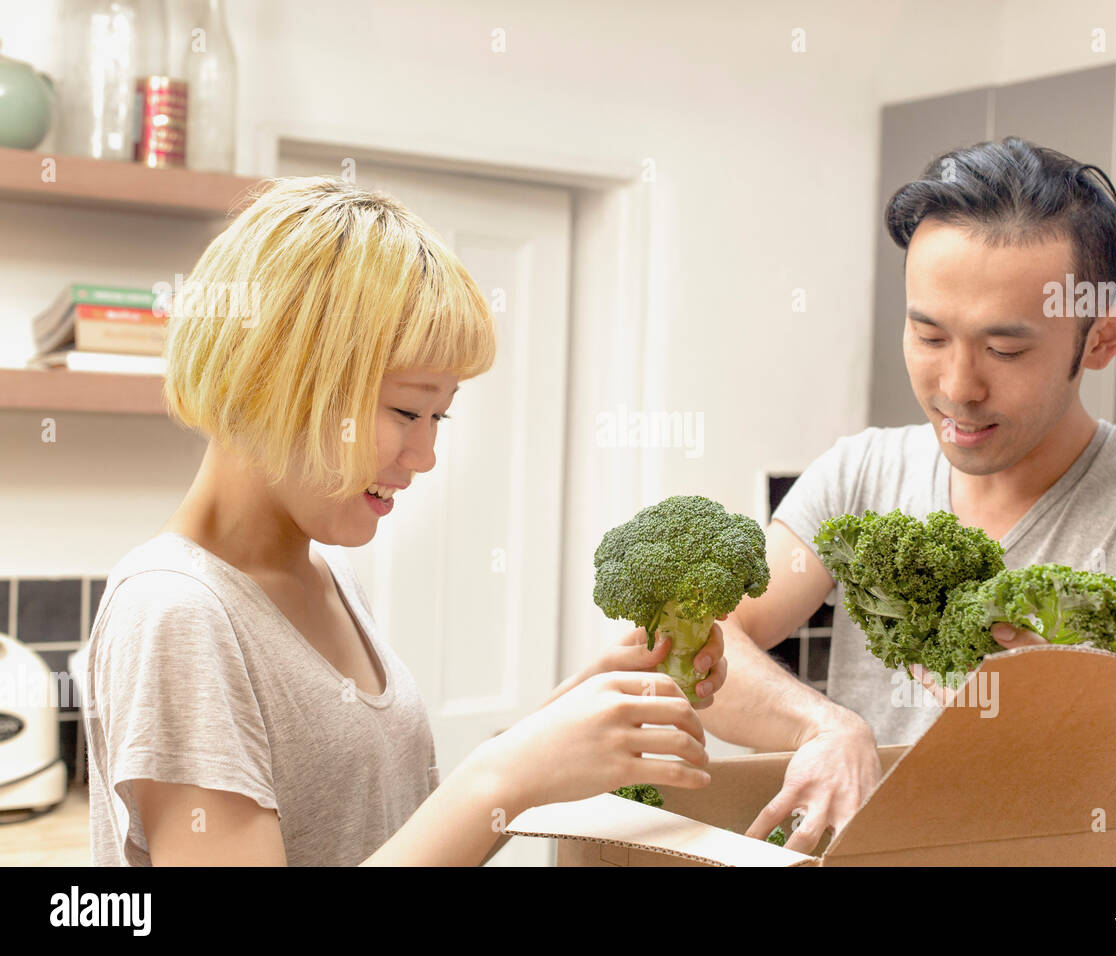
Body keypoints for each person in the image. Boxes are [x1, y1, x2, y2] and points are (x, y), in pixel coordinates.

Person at [83, 176, 726, 866]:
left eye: (439, 415)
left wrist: (557, 733)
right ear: (282, 377)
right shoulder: (175, 613)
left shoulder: (323, 572)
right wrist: (500, 778)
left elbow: (378, 837)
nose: (425, 456)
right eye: (405, 412)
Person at [697, 137, 1116, 853]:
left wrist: (1083, 725)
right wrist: (823, 724)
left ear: (1102, 337)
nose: (958, 387)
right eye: (928, 335)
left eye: (1006, 350)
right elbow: (707, 640)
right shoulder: (859, 476)